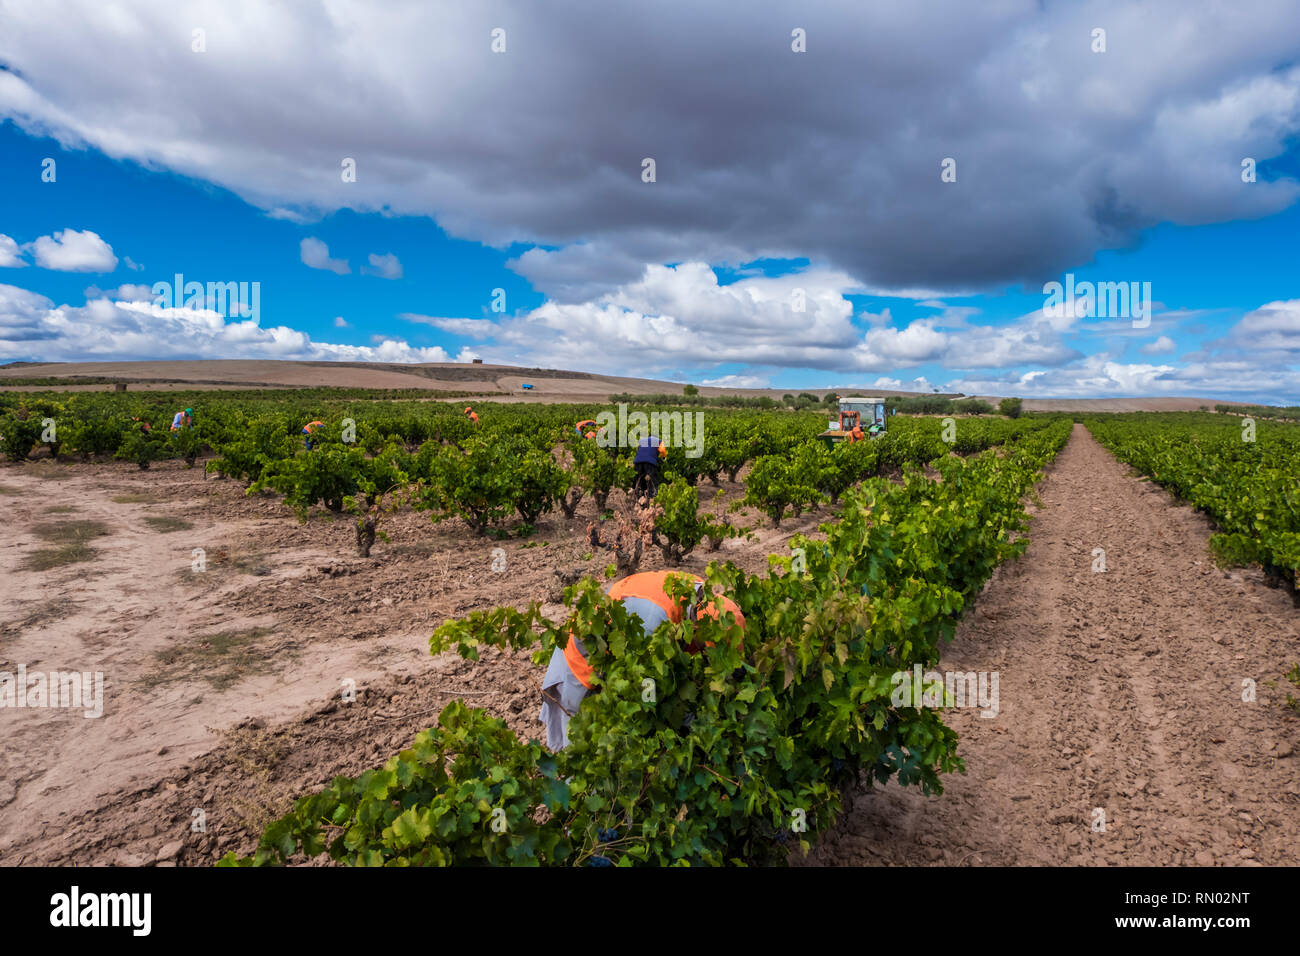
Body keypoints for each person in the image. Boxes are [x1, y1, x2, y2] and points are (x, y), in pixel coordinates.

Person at [539, 571, 745, 751]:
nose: (705, 654)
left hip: (621, 655)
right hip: (582, 658)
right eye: (707, 648)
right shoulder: (653, 622)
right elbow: (647, 688)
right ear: (698, 629)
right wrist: (684, 721)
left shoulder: (698, 596)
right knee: (580, 739)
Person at [632, 433, 667, 498]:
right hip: (649, 462)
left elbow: (638, 449)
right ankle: (652, 496)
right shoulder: (659, 441)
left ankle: (638, 495)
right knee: (652, 479)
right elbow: (662, 450)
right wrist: (663, 457)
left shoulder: (642, 440)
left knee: (639, 478)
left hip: (638, 461)